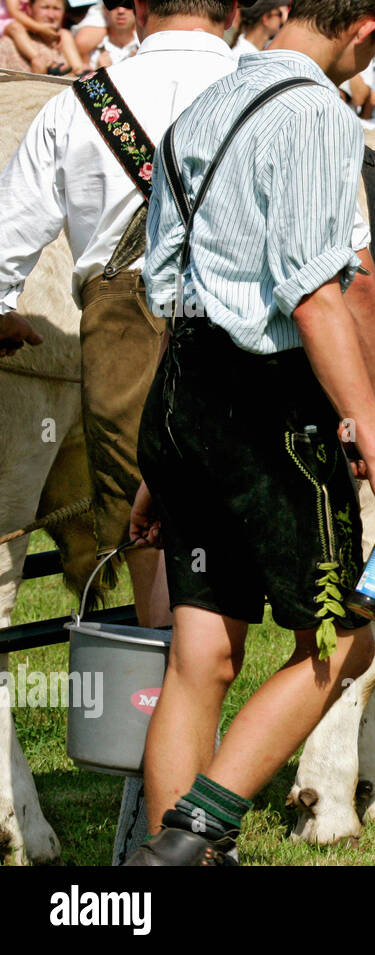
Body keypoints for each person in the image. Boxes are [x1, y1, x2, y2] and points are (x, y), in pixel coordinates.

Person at [125, 0, 375, 866]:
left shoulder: (204, 108)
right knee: (341, 642)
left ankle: (162, 865)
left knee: (202, 655)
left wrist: (166, 458)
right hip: (269, 406)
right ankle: (193, 839)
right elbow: (314, 292)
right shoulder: (316, 115)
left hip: (184, 387)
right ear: (368, 27)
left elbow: (169, 281)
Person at [0, 0, 246, 637]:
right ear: (235, 12)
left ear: (136, 11)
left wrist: (1, 314)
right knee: (253, 493)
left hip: (124, 325)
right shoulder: (273, 95)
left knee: (148, 509)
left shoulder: (81, 102)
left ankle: (162, 673)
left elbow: (8, 240)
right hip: (252, 318)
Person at [0, 0, 81, 73]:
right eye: (45, 7)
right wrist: (40, 28)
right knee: (15, 28)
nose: (51, 15)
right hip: (7, 22)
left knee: (65, 33)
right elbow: (13, 11)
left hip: (23, 22)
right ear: (29, 9)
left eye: (56, 8)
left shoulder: (64, 35)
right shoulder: (7, 45)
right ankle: (37, 57)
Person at [87, 0, 139, 68]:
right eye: (114, 5)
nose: (121, 11)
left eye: (128, 5)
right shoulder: (92, 50)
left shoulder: (145, 46)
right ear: (104, 10)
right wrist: (100, 72)